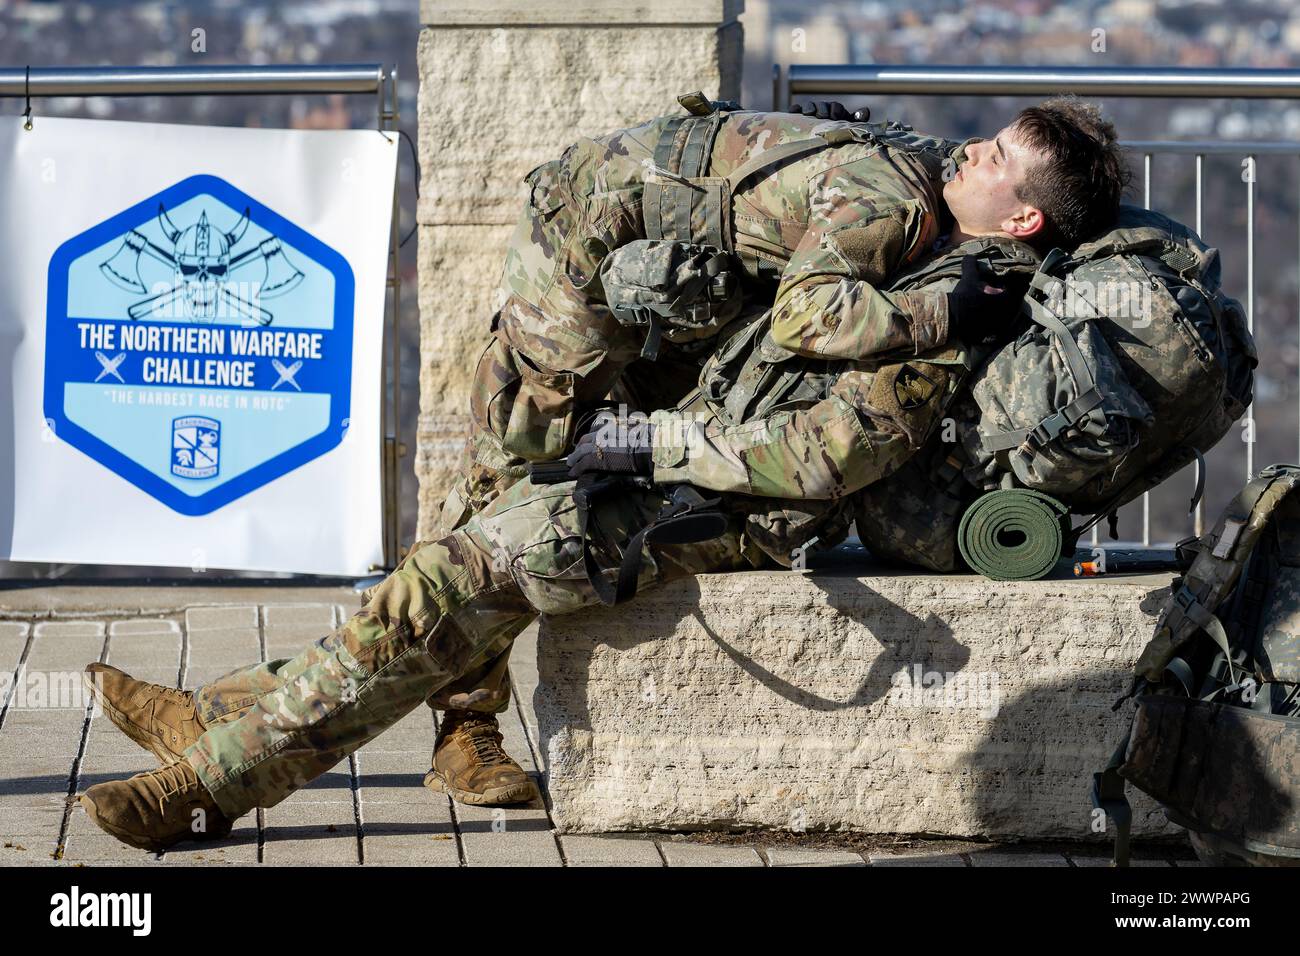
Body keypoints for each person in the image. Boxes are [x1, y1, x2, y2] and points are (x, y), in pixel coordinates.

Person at [76, 100, 1130, 849]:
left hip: (705, 506)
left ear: (1023, 217)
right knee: (452, 568)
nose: (968, 148)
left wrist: (641, 444)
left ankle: (206, 783)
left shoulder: (951, 303)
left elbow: (818, 456)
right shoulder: (934, 255)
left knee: (449, 578)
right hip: (688, 471)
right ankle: (220, 733)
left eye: (994, 154)